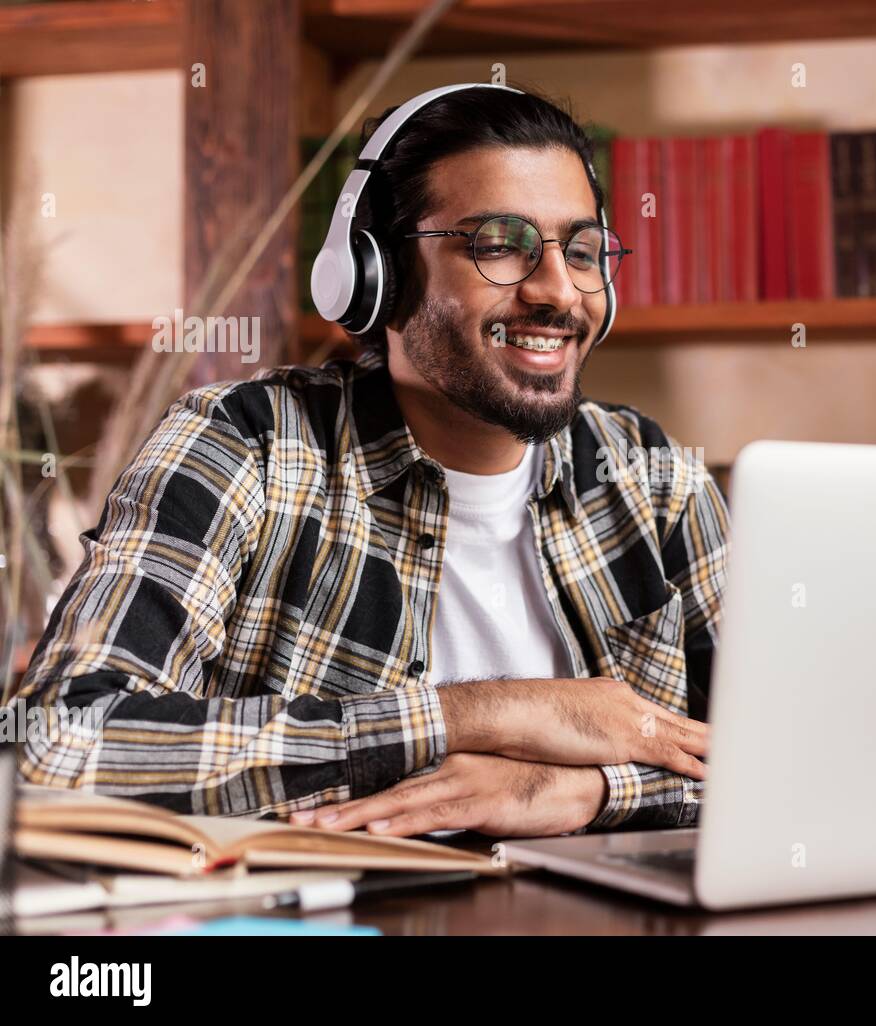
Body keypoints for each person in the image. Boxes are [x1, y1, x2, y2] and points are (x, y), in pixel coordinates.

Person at [10, 84, 729, 838]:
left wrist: (585, 791)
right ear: (372, 272)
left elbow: (788, 764)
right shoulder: (247, 445)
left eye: (581, 252)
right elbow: (55, 744)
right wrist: (487, 714)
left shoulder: (653, 478)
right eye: (498, 245)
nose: (558, 291)